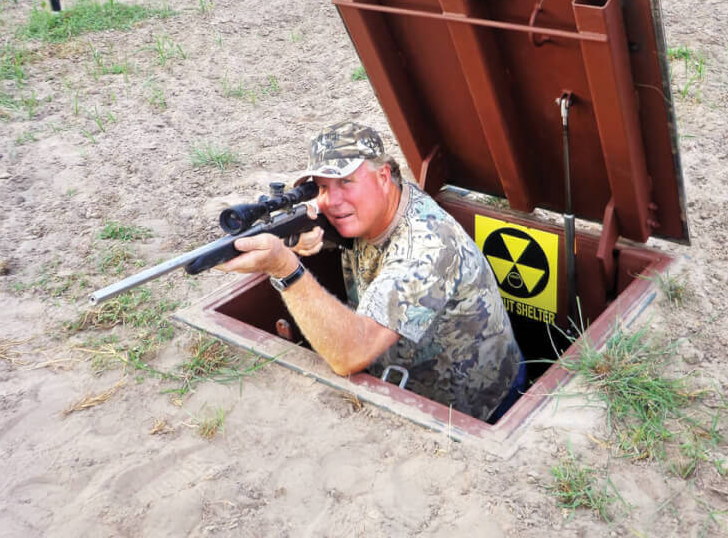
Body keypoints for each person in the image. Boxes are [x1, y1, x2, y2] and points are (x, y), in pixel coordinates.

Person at [218, 121, 524, 421]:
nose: (333, 201)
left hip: (477, 409)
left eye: (346, 182)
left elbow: (349, 355)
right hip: (407, 380)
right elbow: (325, 219)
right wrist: (299, 234)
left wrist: (286, 268)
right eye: (322, 187)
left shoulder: (428, 247)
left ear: (383, 176)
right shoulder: (374, 207)